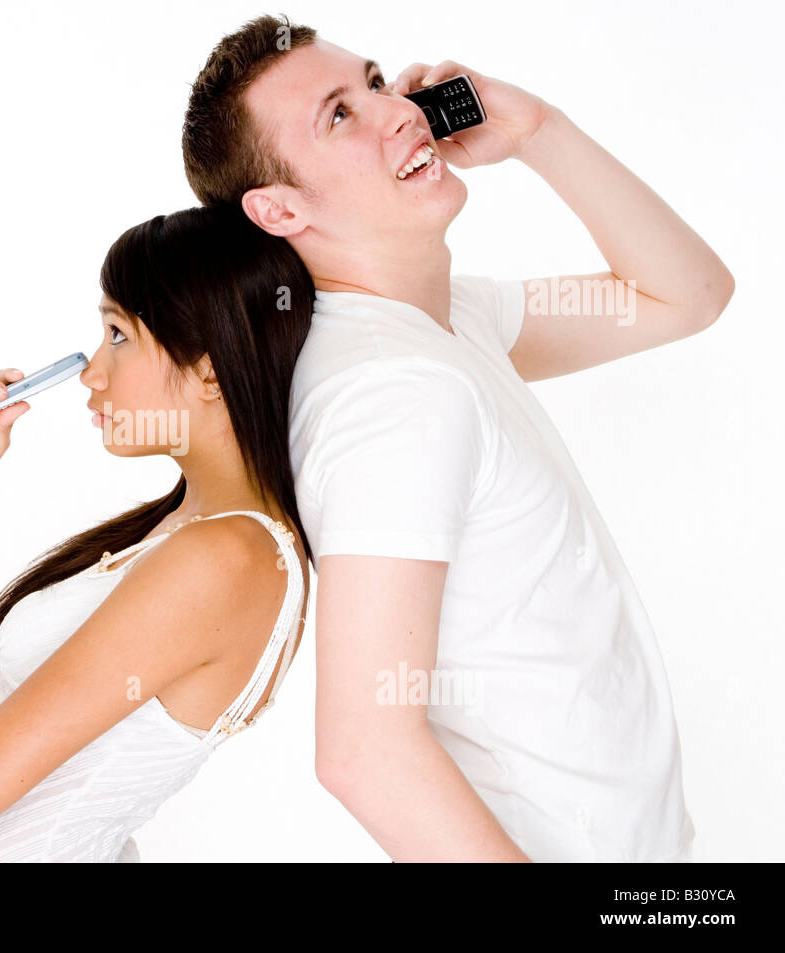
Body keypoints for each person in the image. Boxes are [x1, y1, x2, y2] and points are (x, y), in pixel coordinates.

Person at [180, 15, 734, 861]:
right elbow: (365, 753)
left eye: (373, 83)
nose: (394, 111)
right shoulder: (392, 391)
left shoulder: (445, 324)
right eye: (339, 116)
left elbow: (686, 294)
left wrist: (538, 130)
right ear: (279, 207)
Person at [0, 203, 315, 862]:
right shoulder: (175, 534)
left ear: (210, 367)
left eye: (117, 334)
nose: (93, 372)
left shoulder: (228, 556)